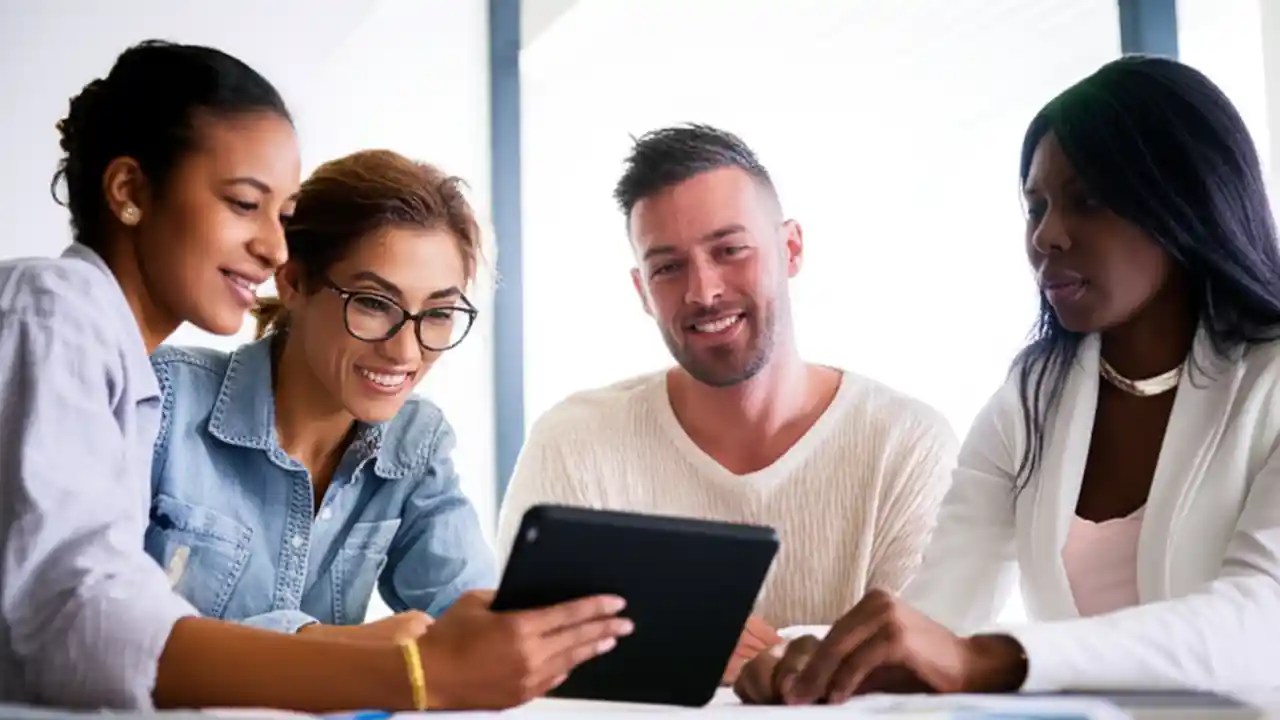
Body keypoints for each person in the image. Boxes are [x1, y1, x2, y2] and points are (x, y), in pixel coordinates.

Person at [0, 40, 630, 711]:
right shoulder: (56, 310)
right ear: (129, 190)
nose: (272, 247)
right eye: (244, 204)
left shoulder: (123, 368)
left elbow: (468, 615)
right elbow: (84, 623)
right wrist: (398, 668)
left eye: (282, 216)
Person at [735, 55, 1280, 705]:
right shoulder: (1033, 395)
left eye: (1089, 201)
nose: (1046, 235)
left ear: (1186, 199)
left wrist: (995, 658)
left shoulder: (1269, 381)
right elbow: (941, 617)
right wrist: (811, 661)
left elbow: (1262, 624)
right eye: (1036, 206)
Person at [497, 124, 957, 684]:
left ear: (790, 249)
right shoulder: (573, 442)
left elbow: (925, 666)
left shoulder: (906, 444)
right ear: (642, 291)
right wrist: (689, 645)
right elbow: (522, 665)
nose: (703, 291)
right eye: (668, 267)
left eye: (730, 250)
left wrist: (687, 643)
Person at [146, 149, 494, 639]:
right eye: (374, 303)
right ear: (293, 282)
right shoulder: (161, 402)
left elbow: (469, 614)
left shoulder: (415, 440)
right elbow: (94, 626)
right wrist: (328, 645)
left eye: (437, 314)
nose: (404, 350)